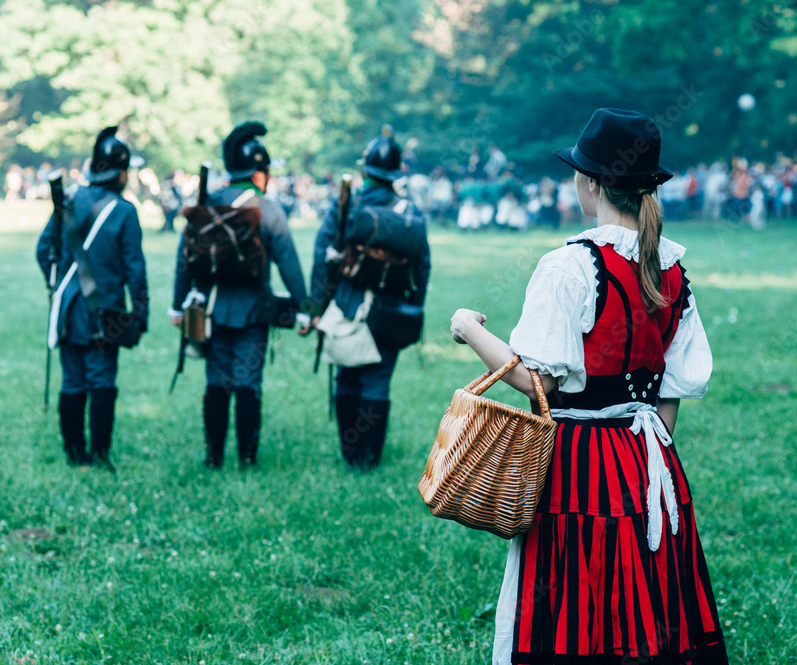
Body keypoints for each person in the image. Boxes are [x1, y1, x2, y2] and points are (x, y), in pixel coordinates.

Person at [449, 109, 727, 665]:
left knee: (575, 595)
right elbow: (670, 393)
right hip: (651, 460)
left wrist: (468, 329)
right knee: (643, 594)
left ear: (591, 183)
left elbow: (537, 381)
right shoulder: (671, 270)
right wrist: (640, 457)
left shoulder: (569, 266)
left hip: (578, 463)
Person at [169, 121, 308, 469]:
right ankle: (246, 458)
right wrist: (306, 308)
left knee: (216, 381)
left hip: (210, 310)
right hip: (253, 311)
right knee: (248, 383)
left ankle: (213, 456)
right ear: (259, 174)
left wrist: (177, 305)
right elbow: (288, 262)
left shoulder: (208, 204)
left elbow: (185, 259)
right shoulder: (268, 209)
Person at [304, 132, 431, 469]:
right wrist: (413, 308)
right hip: (391, 310)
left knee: (346, 375)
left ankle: (351, 454)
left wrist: (317, 308)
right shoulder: (411, 212)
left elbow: (322, 257)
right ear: (396, 174)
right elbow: (422, 267)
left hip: (348, 304)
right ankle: (369, 458)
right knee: (378, 380)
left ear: (365, 170)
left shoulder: (346, 207)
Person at [37, 126, 149, 473]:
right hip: (107, 313)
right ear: (120, 173)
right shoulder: (125, 211)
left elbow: (44, 250)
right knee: (101, 381)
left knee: (72, 380)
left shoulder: (69, 200)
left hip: (69, 310)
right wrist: (140, 314)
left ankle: (75, 455)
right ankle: (99, 455)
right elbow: (135, 270)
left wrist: (57, 286)